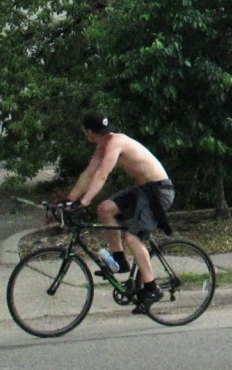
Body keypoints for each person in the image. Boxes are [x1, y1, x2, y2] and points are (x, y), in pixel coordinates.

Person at [65, 110, 175, 312]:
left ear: (88, 131)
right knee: (105, 209)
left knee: (132, 238)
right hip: (144, 190)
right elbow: (89, 173)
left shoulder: (116, 143)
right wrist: (69, 200)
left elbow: (102, 174)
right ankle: (120, 260)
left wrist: (85, 201)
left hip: (159, 191)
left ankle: (152, 288)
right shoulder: (103, 145)